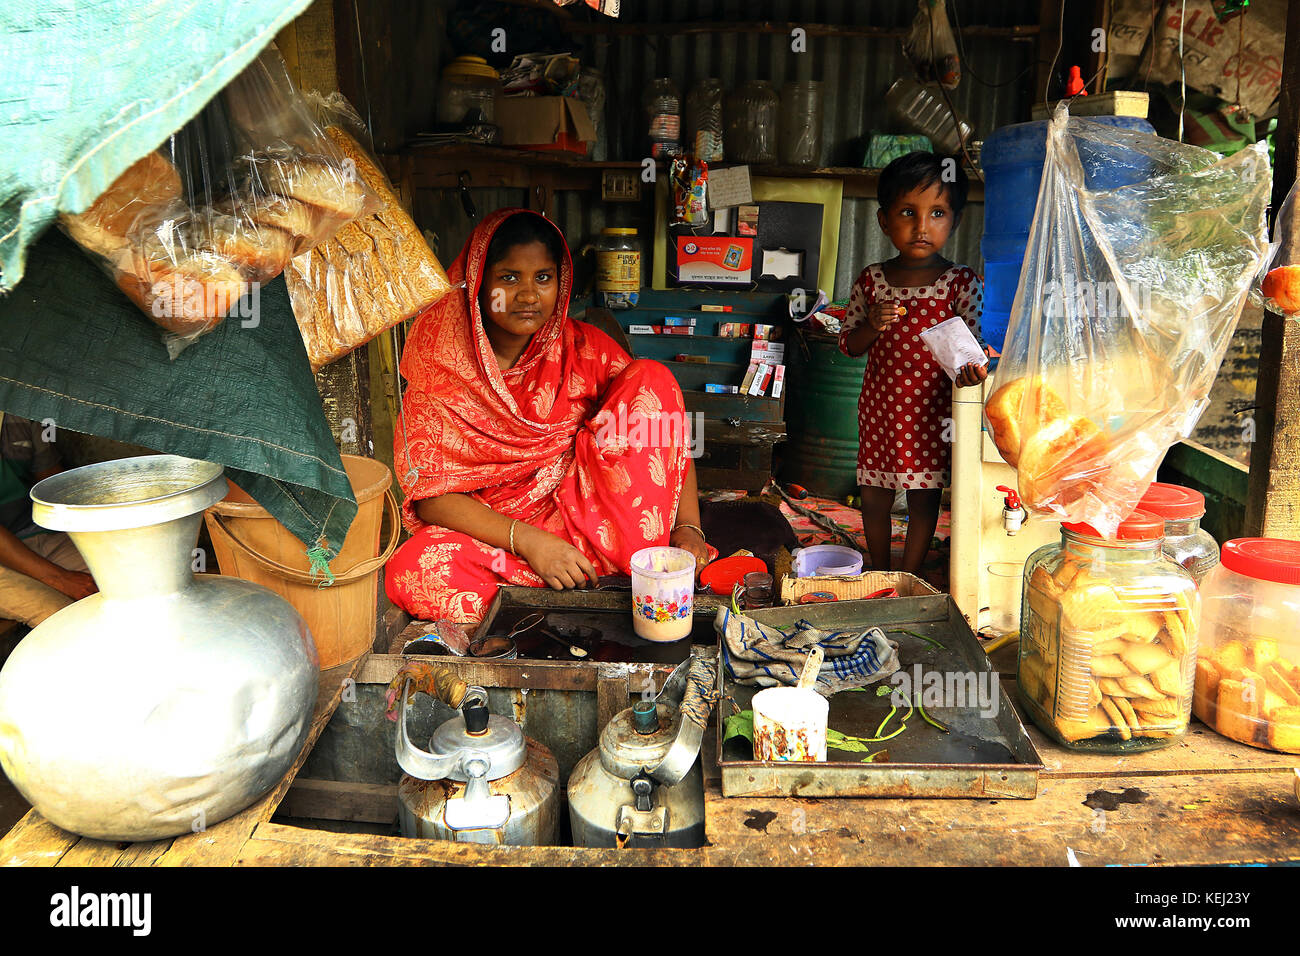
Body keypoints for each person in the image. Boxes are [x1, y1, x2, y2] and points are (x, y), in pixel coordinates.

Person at [385, 208, 710, 623]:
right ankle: (589, 583)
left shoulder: (582, 350)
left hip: (599, 523)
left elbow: (664, 430)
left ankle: (589, 577)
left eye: (543, 278)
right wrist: (533, 544)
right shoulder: (440, 369)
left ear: (561, 282)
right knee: (412, 568)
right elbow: (432, 498)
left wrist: (688, 527)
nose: (527, 295)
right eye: (508, 278)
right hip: (503, 538)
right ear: (477, 284)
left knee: (653, 376)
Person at [839, 152, 989, 574]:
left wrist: (975, 373)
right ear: (884, 220)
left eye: (937, 213)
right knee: (873, 492)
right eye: (908, 212)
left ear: (954, 220)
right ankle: (880, 570)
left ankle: (911, 573)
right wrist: (872, 325)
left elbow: (972, 353)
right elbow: (849, 345)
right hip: (880, 409)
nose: (922, 226)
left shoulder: (961, 282)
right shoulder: (871, 280)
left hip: (932, 413)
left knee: (924, 495)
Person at [0, 412, 96, 627]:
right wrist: (59, 578)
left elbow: (53, 488)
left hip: (32, 535)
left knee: (124, 577)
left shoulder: (20, 411)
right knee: (65, 619)